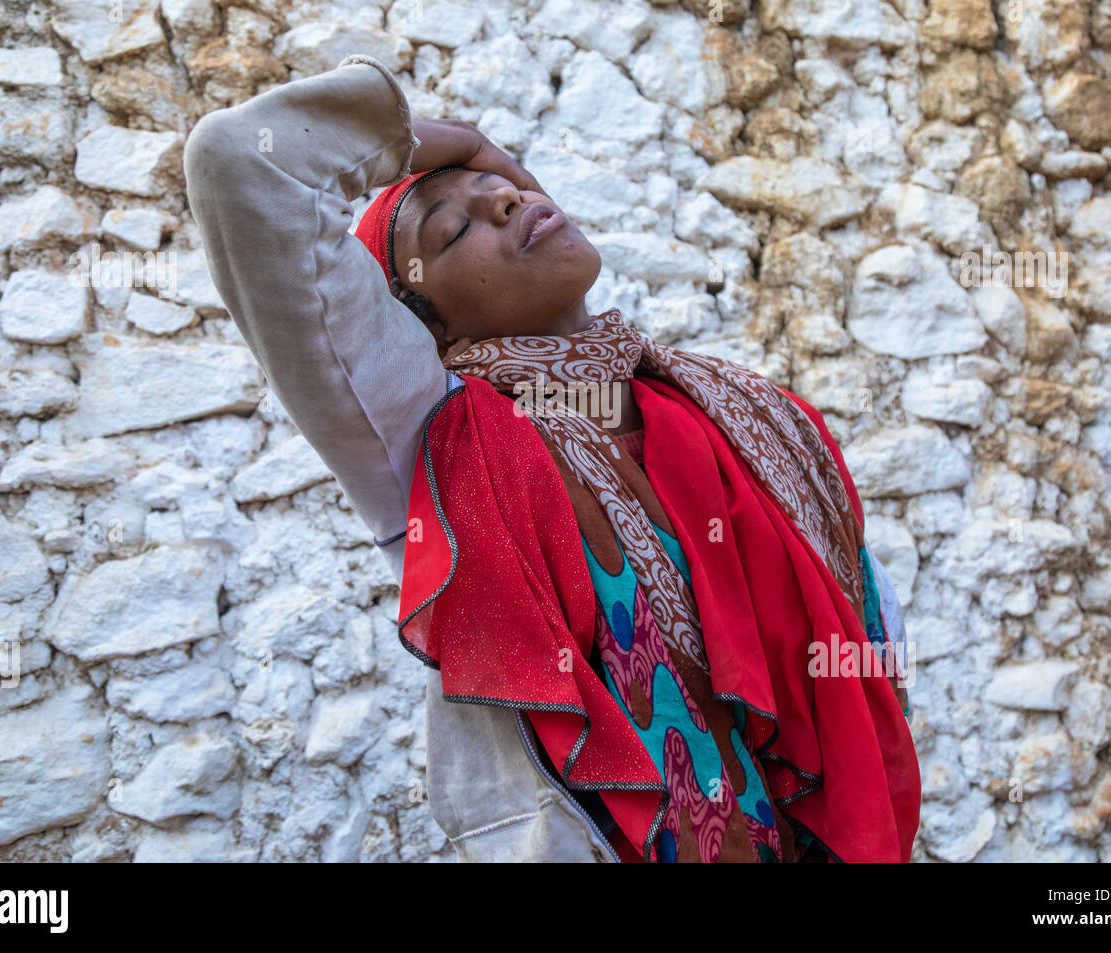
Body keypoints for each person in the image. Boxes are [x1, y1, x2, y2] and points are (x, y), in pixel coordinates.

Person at [184, 53, 920, 863]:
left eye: (503, 184)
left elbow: (866, 632)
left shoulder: (744, 413)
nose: (506, 196)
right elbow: (242, 160)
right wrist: (452, 141)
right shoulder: (430, 428)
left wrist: (479, 166)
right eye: (455, 227)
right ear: (427, 325)